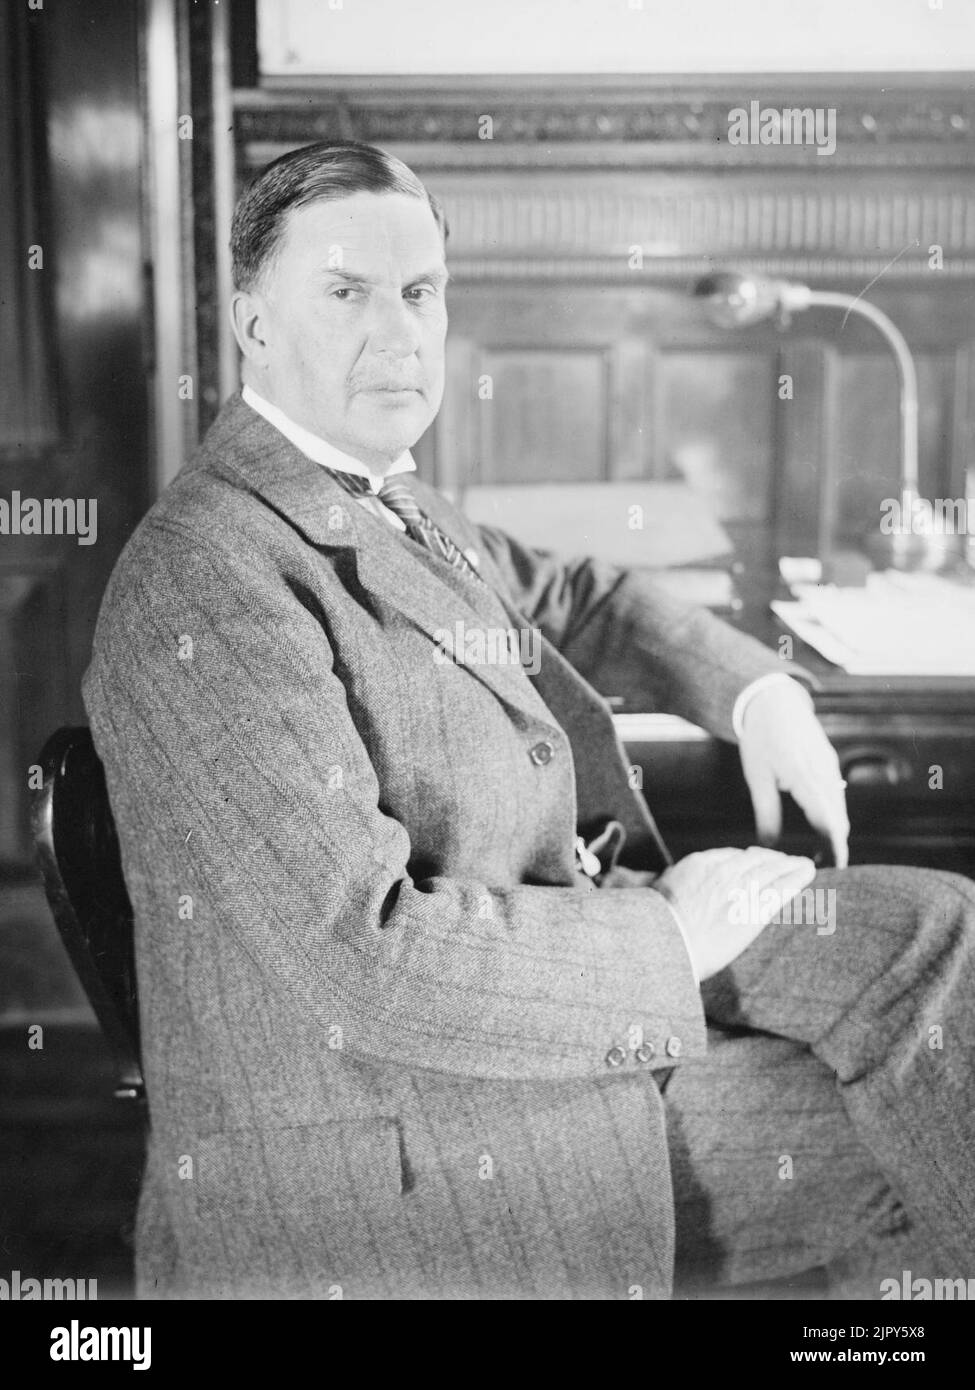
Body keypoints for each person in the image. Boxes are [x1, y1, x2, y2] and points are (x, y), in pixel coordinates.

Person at [83, 140, 975, 1300]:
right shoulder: (205, 580)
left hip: (553, 945)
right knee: (908, 1134)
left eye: (420, 293)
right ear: (254, 324)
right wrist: (672, 937)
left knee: (940, 933)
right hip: (404, 1125)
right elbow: (365, 958)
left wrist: (759, 690)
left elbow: (575, 593)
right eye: (346, 293)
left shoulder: (382, 494)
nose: (398, 333)